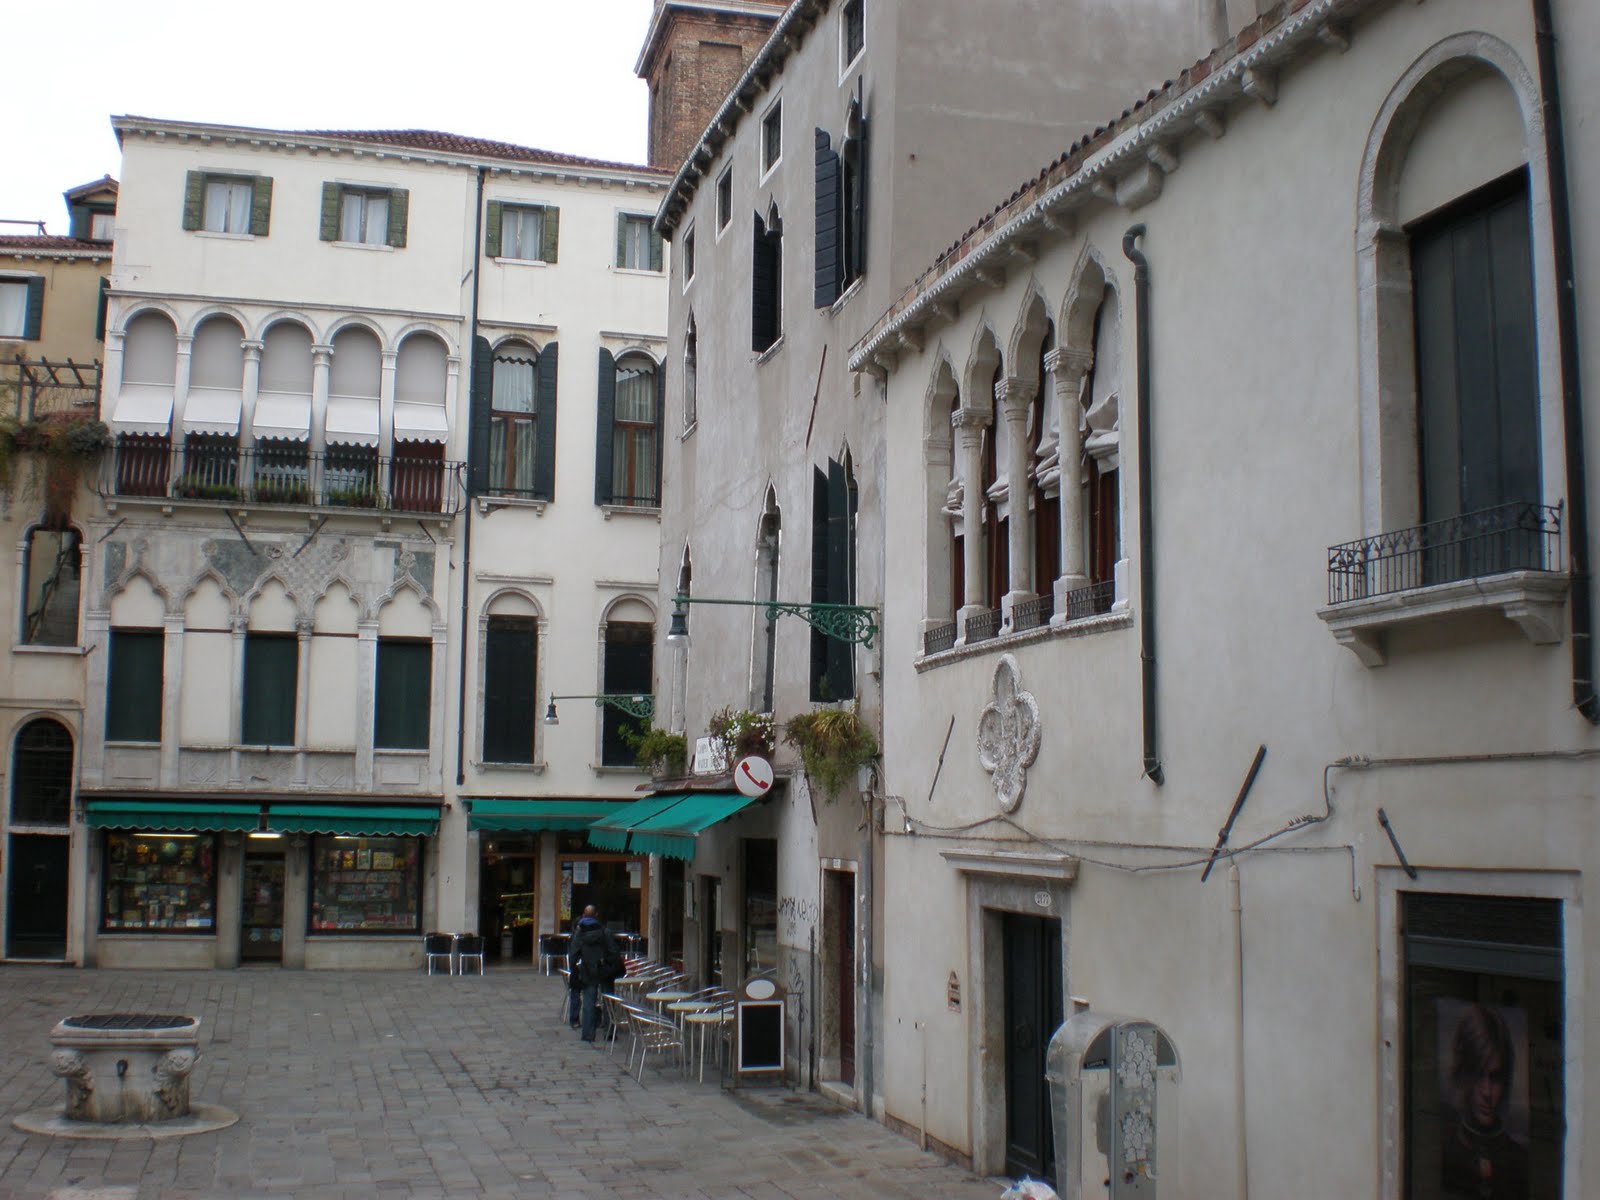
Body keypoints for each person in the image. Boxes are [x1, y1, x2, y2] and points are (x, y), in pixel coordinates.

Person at [1441, 1002, 1530, 1200]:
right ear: (1464, 1074)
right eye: (1478, 1075)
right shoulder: (1444, 1152)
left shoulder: (1519, 1160)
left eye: (1495, 1077)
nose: (1487, 1091)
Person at [567, 905, 622, 1043]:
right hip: (604, 971)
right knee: (608, 1002)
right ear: (596, 915)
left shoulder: (579, 934)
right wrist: (607, 963)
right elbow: (614, 953)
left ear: (584, 916)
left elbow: (573, 954)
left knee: (588, 1002)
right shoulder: (605, 932)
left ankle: (588, 1034)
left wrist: (575, 969)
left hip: (587, 970)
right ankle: (609, 1033)